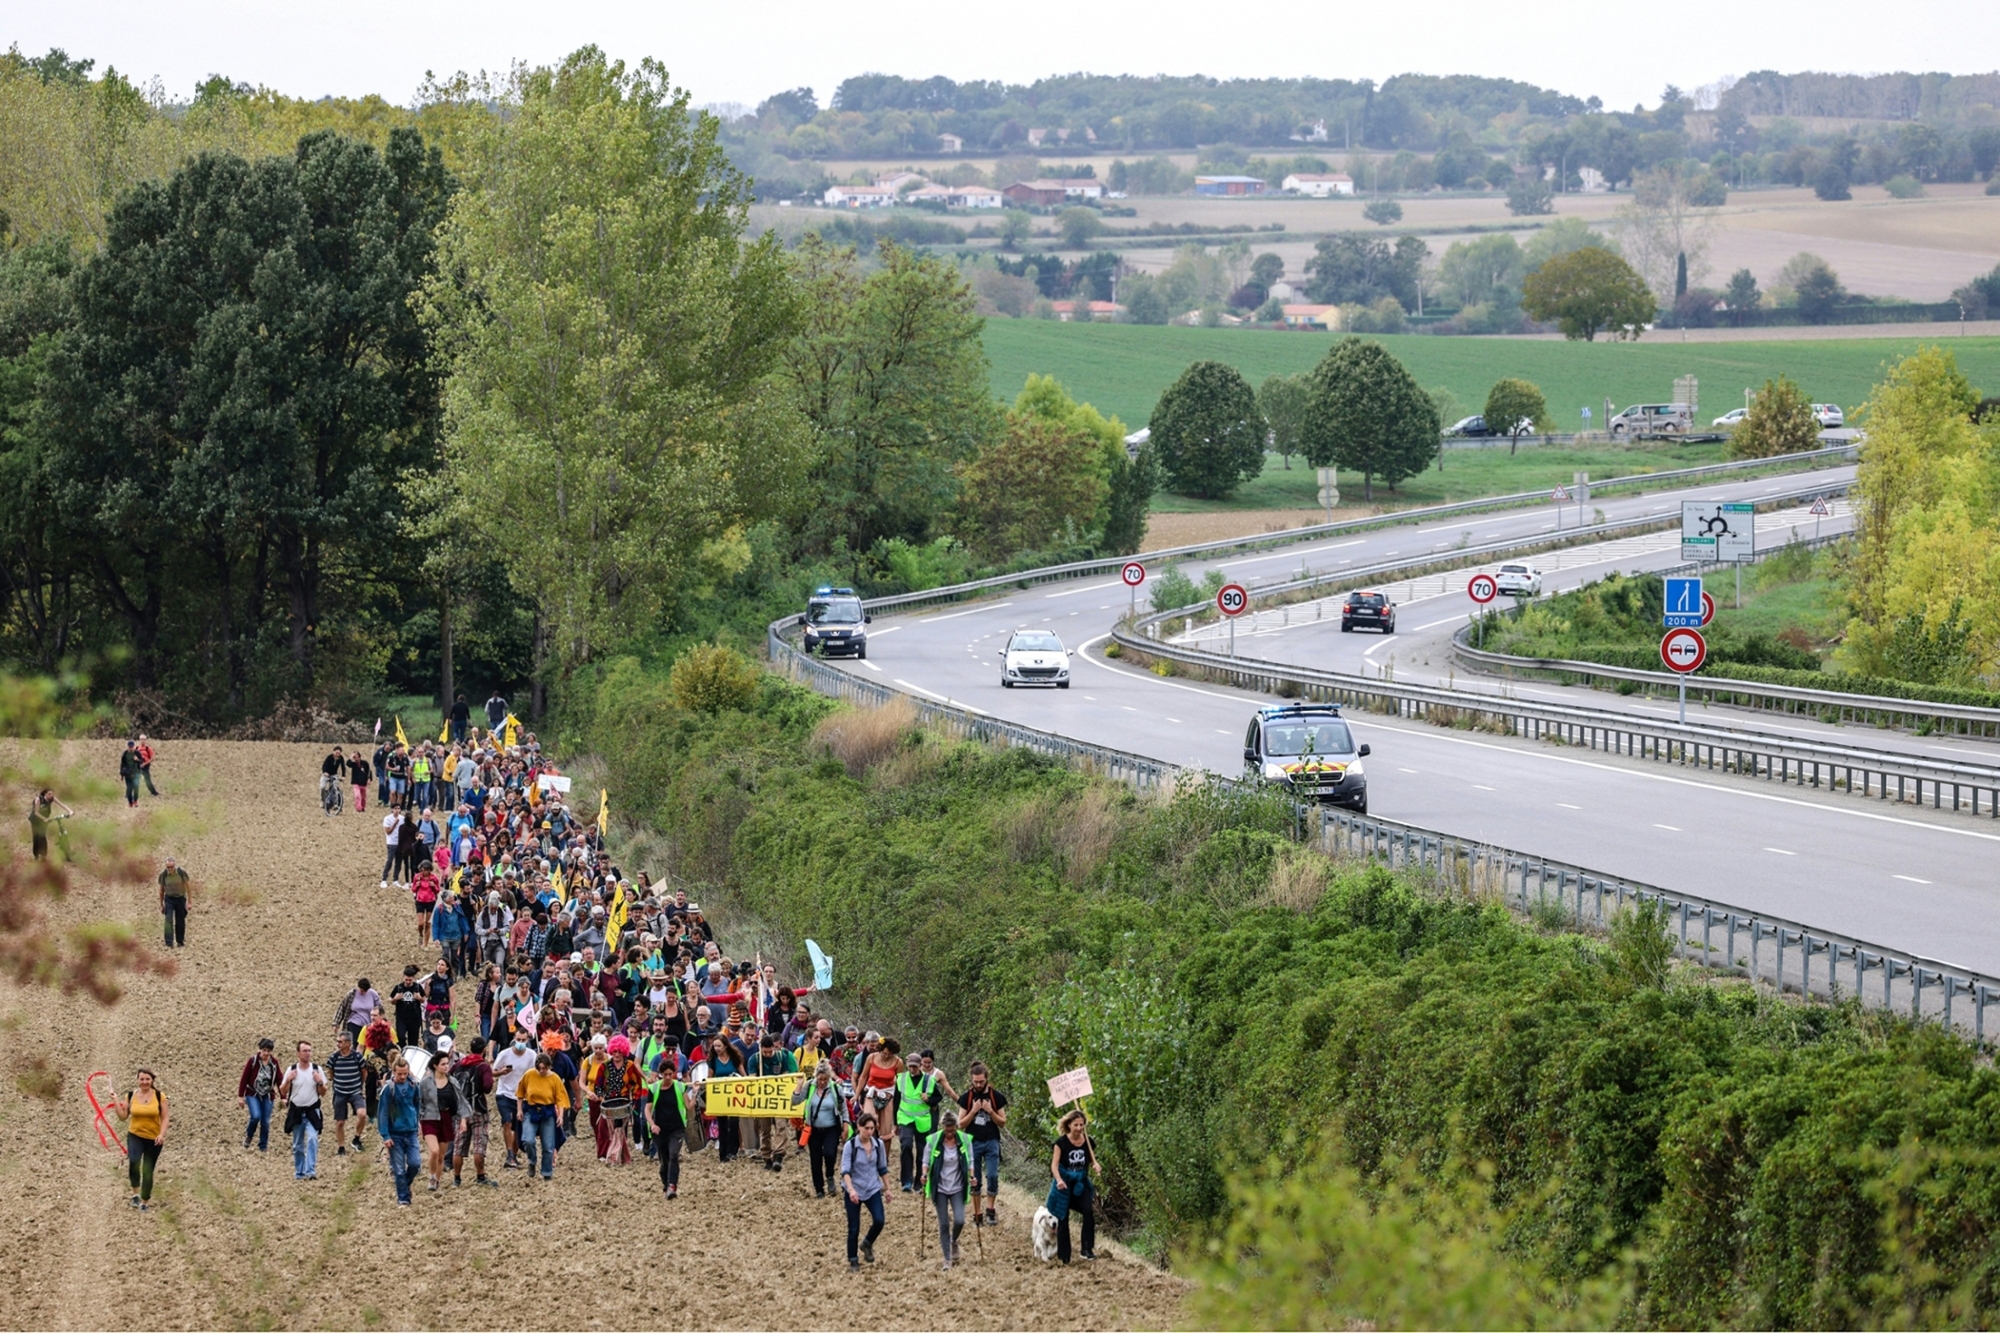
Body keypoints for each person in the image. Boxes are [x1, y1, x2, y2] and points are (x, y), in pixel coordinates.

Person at [921, 1110, 974, 1271]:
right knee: (943, 1223)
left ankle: (954, 1240)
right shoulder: (934, 1140)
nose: (950, 1133)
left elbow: (970, 1160)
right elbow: (926, 1160)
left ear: (957, 1127)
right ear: (943, 1127)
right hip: (940, 1187)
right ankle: (947, 1259)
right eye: (947, 1130)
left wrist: (972, 1176)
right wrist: (924, 1174)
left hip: (958, 1186)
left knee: (960, 1220)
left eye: (952, 1130)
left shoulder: (964, 1140)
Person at [958, 1061, 1009, 1227]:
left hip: (992, 1141)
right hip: (973, 1142)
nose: (978, 1084)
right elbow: (961, 1124)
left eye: (981, 1081)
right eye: (975, 1082)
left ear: (986, 1079)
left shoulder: (997, 1096)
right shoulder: (966, 1098)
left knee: (993, 1175)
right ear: (971, 1080)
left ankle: (990, 1210)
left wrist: (990, 1111)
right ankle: (977, 1214)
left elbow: (1002, 1122)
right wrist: (973, 1111)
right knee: (975, 1179)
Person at [111, 1068, 168, 1210]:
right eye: (142, 1079)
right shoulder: (130, 1096)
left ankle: (145, 1202)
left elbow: (165, 1117)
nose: (144, 1082)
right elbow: (123, 1117)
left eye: (147, 1079)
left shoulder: (160, 1096)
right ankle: (135, 1195)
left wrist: (161, 1134)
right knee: (134, 1161)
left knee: (148, 1170)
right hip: (135, 1135)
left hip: (153, 1139)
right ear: (137, 1080)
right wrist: (116, 1100)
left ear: (152, 1080)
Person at [1048, 1108, 1099, 1263]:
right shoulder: (1061, 1143)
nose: (1078, 1128)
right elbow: (1054, 1166)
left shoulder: (1088, 1142)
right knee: (1063, 1218)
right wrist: (1059, 1180)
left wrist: (1096, 1165)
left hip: (1080, 1183)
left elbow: (1091, 1160)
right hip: (1064, 1185)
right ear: (1069, 1125)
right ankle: (1064, 1256)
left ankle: (1086, 1249)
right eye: (1076, 1125)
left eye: (1081, 1125)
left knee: (1088, 1212)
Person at [841, 1112, 891, 1270]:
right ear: (859, 1127)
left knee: (879, 1220)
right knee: (854, 1226)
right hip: (854, 1188)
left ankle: (867, 1243)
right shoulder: (850, 1146)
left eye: (872, 1128)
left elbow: (882, 1168)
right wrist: (851, 1190)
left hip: (872, 1188)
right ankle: (853, 1259)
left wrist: (888, 1188)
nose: (869, 1132)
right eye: (866, 1128)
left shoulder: (878, 1145)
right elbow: (845, 1171)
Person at [794, 1060, 849, 1199]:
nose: (823, 1082)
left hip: (831, 1129)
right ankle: (819, 1189)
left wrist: (845, 1125)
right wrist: (799, 1086)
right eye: (820, 1079)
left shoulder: (836, 1089)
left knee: (831, 1153)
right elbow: (795, 1101)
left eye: (825, 1079)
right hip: (814, 1130)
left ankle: (830, 1175)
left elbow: (843, 1108)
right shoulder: (810, 1086)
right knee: (815, 1160)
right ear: (816, 1077)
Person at [893, 1047, 945, 1192]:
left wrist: (929, 1100)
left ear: (919, 1066)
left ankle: (918, 1182)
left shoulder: (929, 1080)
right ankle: (906, 1181)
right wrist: (895, 1123)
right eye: (910, 1066)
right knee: (907, 1146)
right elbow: (896, 1101)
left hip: (923, 1121)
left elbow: (938, 1098)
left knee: (922, 1152)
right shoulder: (901, 1079)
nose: (912, 1069)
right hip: (905, 1119)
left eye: (915, 1067)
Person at [644, 1053, 693, 1198]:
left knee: (673, 1155)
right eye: (664, 1074)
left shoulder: (680, 1087)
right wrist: (652, 1124)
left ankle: (672, 1185)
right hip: (659, 1129)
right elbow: (647, 1109)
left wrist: (695, 1094)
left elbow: (689, 1106)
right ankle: (666, 1185)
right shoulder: (654, 1089)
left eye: (670, 1074)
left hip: (676, 1128)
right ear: (660, 1074)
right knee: (664, 1161)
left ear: (674, 1074)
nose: (667, 1077)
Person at [450, 1036, 496, 1187]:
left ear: (470, 1049)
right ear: (483, 1050)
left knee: (458, 1145)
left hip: (460, 1111)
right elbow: (488, 1087)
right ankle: (480, 1176)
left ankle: (457, 1178)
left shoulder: (458, 1065)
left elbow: (448, 1079)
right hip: (478, 1109)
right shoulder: (483, 1066)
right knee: (479, 1144)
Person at [517, 1052, 570, 1181]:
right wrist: (519, 1110)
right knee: (528, 1139)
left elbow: (560, 1098)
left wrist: (560, 1116)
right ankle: (532, 1161)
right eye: (539, 1068)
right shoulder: (529, 1075)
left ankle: (547, 1172)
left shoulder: (555, 1078)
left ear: (549, 1066)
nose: (541, 1071)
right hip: (530, 1110)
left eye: (544, 1068)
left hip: (548, 1112)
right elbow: (520, 1093)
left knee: (548, 1145)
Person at [376, 1058, 423, 1207]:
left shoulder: (414, 1085)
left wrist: (418, 1122)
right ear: (394, 1072)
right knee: (399, 1170)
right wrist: (385, 1135)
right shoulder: (388, 1089)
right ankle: (403, 1198)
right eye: (400, 1074)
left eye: (405, 1073)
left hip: (411, 1131)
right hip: (395, 1133)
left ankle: (405, 1185)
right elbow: (382, 1113)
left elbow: (417, 1105)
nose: (403, 1077)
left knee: (415, 1163)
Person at [278, 1040, 327, 1182]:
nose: (308, 1053)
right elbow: (283, 1091)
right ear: (298, 1053)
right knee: (298, 1144)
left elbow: (323, 1092)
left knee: (312, 1138)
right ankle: (299, 1172)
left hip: (312, 1111)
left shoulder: (317, 1069)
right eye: (305, 1051)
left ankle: (310, 1170)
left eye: (309, 1050)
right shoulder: (292, 1070)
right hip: (297, 1111)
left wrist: (319, 1082)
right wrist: (288, 1080)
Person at [747, 1033, 797, 1171]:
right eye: (765, 1052)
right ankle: (766, 1157)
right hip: (762, 1099)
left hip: (778, 1098)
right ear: (761, 1049)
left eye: (771, 1051)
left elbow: (786, 1076)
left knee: (781, 1126)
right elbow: (752, 1079)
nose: (768, 1054)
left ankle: (779, 1155)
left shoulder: (782, 1057)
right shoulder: (754, 1059)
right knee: (765, 1130)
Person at [593, 1034, 642, 1165]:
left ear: (624, 1051)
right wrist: (601, 1097)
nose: (617, 1054)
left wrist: (635, 1102)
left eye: (620, 1051)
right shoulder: (604, 1066)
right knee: (603, 1128)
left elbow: (637, 1084)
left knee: (621, 1130)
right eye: (614, 1051)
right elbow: (598, 1085)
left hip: (624, 1101)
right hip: (608, 1102)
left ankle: (619, 1156)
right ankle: (604, 1154)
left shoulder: (630, 1066)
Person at [418, 1042, 460, 1193]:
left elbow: (460, 1101)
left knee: (441, 1155)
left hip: (446, 1118)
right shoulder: (425, 1083)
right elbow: (419, 1102)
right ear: (435, 1065)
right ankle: (431, 1176)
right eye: (443, 1064)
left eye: (447, 1063)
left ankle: (437, 1180)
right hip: (429, 1118)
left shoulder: (453, 1082)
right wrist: (418, 1122)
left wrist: (462, 1119)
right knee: (434, 1151)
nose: (446, 1066)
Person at [327, 1031, 367, 1156]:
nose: (338, 1044)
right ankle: (341, 1147)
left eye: (341, 1041)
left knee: (362, 1114)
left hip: (355, 1092)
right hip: (340, 1093)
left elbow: (364, 1072)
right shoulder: (334, 1058)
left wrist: (359, 1085)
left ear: (349, 1043)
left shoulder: (357, 1057)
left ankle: (356, 1138)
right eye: (337, 1041)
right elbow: (331, 1073)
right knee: (340, 1122)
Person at [237, 1037, 280, 1152]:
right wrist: (240, 1096)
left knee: (265, 1121)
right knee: (255, 1116)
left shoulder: (274, 1064)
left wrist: (284, 1097)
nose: (266, 1053)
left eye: (268, 1051)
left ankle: (263, 1146)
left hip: (267, 1095)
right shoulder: (253, 1061)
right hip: (252, 1093)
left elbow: (279, 1080)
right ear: (260, 1050)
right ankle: (249, 1136)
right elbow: (244, 1078)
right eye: (264, 1050)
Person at [334, 977, 383, 1044]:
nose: (363, 993)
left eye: (365, 991)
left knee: (367, 1043)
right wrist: (336, 1023)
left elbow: (380, 1009)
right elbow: (342, 1008)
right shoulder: (351, 994)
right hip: (354, 1022)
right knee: (356, 1042)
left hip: (368, 1023)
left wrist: (381, 1021)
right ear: (358, 987)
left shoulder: (373, 994)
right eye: (361, 990)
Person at [28, 788, 72, 861]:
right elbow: (36, 812)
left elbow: (62, 804)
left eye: (52, 794)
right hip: (35, 820)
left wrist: (69, 811)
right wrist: (44, 818)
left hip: (45, 820)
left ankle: (43, 855)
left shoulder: (52, 799)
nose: (51, 795)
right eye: (49, 794)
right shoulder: (38, 800)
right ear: (45, 794)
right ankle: (36, 855)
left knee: (42, 837)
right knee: (36, 837)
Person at [158, 858, 191, 948]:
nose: (170, 869)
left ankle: (180, 941)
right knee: (168, 920)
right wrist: (161, 905)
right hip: (169, 899)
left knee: (180, 921)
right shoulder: (163, 875)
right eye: (168, 867)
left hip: (180, 899)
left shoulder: (181, 873)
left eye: (171, 867)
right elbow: (161, 891)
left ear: (174, 866)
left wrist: (189, 902)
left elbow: (188, 887)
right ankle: (169, 943)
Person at [390, 965, 425, 1049]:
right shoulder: (398, 987)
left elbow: (423, 999)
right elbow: (391, 1000)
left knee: (413, 1041)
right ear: (403, 977)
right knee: (400, 1037)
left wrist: (419, 998)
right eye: (406, 980)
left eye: (410, 980)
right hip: (402, 1017)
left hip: (414, 1018)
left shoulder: (417, 987)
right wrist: (395, 998)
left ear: (413, 978)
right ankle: (403, 1051)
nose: (408, 982)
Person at [319, 746, 346, 815]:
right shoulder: (329, 757)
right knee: (322, 787)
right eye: (336, 753)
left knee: (334, 789)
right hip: (326, 774)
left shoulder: (341, 758)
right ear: (333, 752)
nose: (337, 754)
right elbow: (324, 765)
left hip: (334, 775)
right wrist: (325, 772)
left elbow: (343, 767)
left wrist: (343, 776)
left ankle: (335, 804)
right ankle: (322, 800)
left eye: (339, 753)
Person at [119, 740, 144, 807]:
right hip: (128, 773)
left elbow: (142, 761)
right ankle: (130, 802)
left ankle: (135, 800)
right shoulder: (125, 754)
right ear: (128, 747)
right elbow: (122, 764)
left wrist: (137, 760)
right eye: (130, 747)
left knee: (136, 786)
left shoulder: (137, 753)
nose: (131, 748)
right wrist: (121, 775)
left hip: (136, 772)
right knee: (129, 788)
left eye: (132, 747)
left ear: (134, 746)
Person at [348, 749, 372, 814]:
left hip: (363, 783)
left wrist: (369, 779)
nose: (356, 759)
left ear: (360, 757)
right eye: (355, 757)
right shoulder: (353, 764)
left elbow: (369, 771)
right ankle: (358, 808)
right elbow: (348, 763)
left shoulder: (365, 763)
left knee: (363, 797)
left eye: (357, 757)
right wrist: (351, 757)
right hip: (356, 783)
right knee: (357, 795)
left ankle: (363, 807)